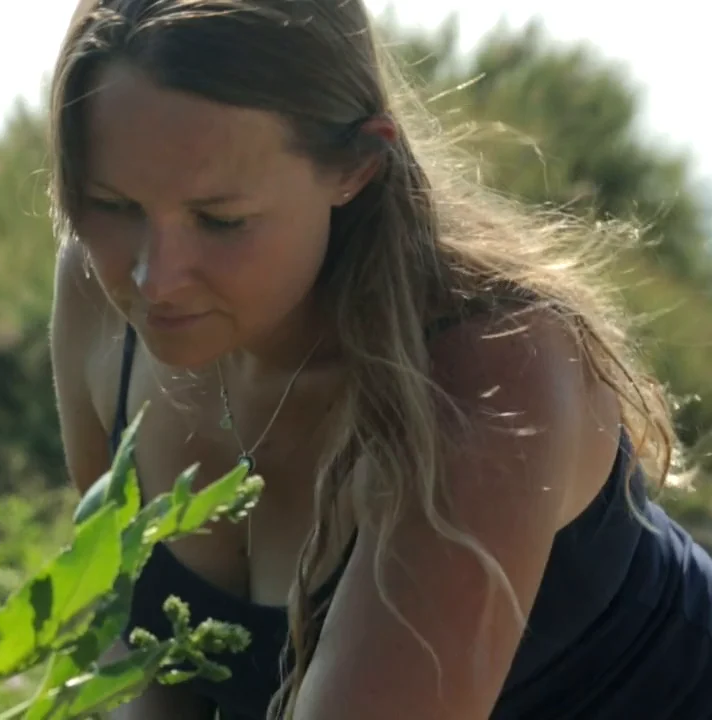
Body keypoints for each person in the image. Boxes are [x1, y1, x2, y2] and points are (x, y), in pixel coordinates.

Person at [45, 1, 712, 718]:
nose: (155, 278)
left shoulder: (489, 375)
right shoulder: (95, 301)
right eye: (111, 204)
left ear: (356, 167)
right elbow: (146, 664)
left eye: (221, 220)